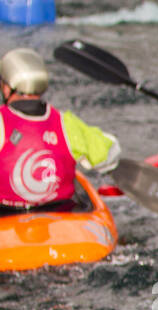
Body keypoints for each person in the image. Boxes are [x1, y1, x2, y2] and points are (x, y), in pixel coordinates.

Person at [0, 47, 120, 211]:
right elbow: (110, 155)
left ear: (7, 88)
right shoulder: (66, 122)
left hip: (6, 217)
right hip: (60, 217)